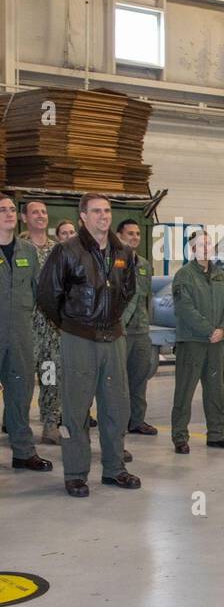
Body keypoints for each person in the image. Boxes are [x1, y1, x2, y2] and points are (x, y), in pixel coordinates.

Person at [35, 193, 139, 496]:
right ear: (83, 216)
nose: (103, 216)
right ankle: (76, 473)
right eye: (96, 211)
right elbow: (47, 295)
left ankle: (114, 469)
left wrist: (111, 318)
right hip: (79, 338)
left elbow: (129, 290)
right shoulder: (67, 251)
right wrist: (70, 324)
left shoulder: (124, 252)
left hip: (113, 338)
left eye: (107, 210)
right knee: (76, 411)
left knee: (116, 408)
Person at [170, 229, 224, 455]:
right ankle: (180, 437)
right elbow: (184, 309)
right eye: (201, 244)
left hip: (216, 343)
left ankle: (217, 434)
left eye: (209, 244)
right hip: (192, 341)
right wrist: (210, 330)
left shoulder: (222, 277)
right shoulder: (184, 276)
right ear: (193, 249)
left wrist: (223, 329)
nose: (206, 248)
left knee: (216, 391)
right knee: (185, 391)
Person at [1, 195, 53, 474]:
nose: (9, 214)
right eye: (3, 210)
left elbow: (37, 293)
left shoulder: (27, 251)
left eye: (11, 209)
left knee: (21, 394)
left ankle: (23, 452)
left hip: (21, 334)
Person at [20, 200, 62, 445]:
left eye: (44, 212)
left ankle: (49, 423)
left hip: (52, 329)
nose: (41, 216)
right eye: (35, 212)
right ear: (24, 218)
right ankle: (18, 422)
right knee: (22, 378)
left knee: (50, 376)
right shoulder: (19, 249)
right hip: (26, 327)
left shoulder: (58, 251)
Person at [115, 219, 158, 437]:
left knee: (139, 378)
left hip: (140, 331)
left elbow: (146, 298)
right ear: (119, 235)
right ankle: (118, 423)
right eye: (130, 234)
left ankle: (137, 421)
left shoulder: (145, 265)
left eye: (138, 234)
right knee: (117, 381)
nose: (134, 237)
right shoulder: (113, 262)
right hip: (120, 331)